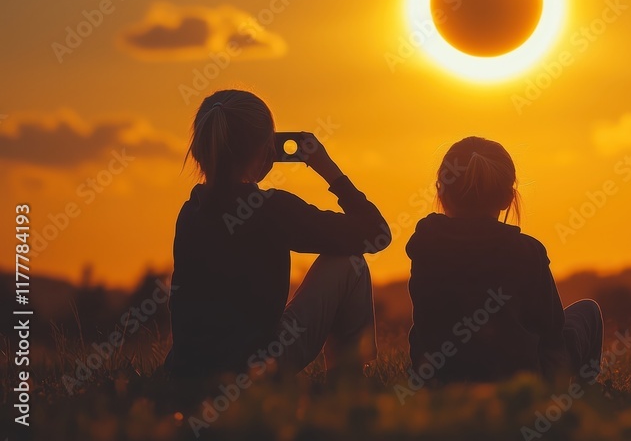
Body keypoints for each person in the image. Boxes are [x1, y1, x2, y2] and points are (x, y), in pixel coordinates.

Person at [164, 89, 390, 381]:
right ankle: (345, 384)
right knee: (350, 264)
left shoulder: (190, 212)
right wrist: (328, 169)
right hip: (258, 369)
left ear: (201, 150)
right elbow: (377, 234)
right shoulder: (272, 210)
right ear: (268, 150)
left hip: (187, 371)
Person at [406, 137, 603, 384]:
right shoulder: (528, 252)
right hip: (519, 386)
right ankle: (583, 396)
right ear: (508, 198)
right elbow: (551, 330)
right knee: (588, 312)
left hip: (436, 382)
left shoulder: (425, 245)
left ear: (440, 191)